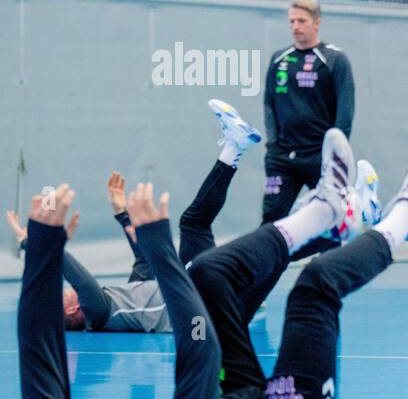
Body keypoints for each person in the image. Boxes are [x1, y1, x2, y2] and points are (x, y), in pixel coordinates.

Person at [15, 126, 408, 399]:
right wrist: (160, 251)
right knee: (315, 288)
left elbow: (39, 350)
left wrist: (42, 246)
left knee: (209, 275)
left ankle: (325, 212)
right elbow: (200, 354)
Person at [5, 100, 264, 333]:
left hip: (188, 288)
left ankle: (233, 146)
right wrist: (38, 240)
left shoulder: (127, 297)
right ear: (74, 309)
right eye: (61, 297)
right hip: (194, 303)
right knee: (197, 231)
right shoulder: (100, 314)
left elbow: (143, 260)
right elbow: (79, 279)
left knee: (193, 223)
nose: (63, 291)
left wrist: (121, 214)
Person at [262, 0, 357, 230]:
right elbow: (269, 104)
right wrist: (274, 144)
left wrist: (335, 155)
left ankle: (326, 267)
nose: (295, 26)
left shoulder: (334, 60)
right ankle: (265, 267)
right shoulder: (279, 59)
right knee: (271, 218)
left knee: (332, 220)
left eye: (301, 21)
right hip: (283, 158)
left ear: (316, 23)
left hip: (320, 158)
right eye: (291, 21)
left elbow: (345, 111)